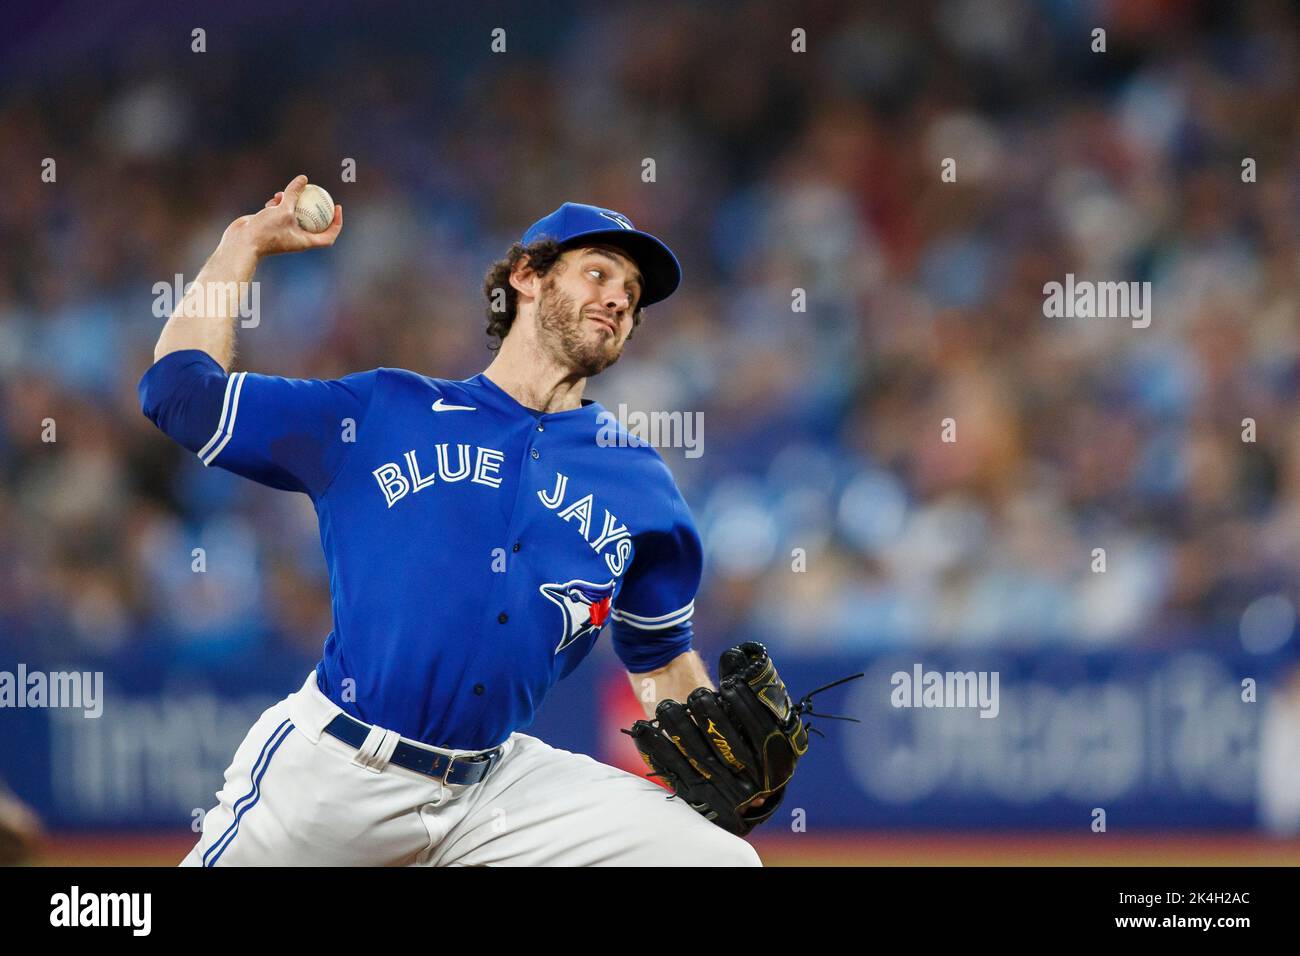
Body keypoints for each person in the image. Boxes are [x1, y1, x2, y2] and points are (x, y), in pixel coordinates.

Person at [139, 176, 762, 866]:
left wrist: (726, 759)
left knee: (718, 860)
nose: (619, 297)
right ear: (527, 276)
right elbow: (179, 393)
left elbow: (660, 657)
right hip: (338, 772)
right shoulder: (383, 411)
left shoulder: (639, 482)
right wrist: (243, 244)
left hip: (495, 793)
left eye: (633, 292)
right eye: (598, 272)